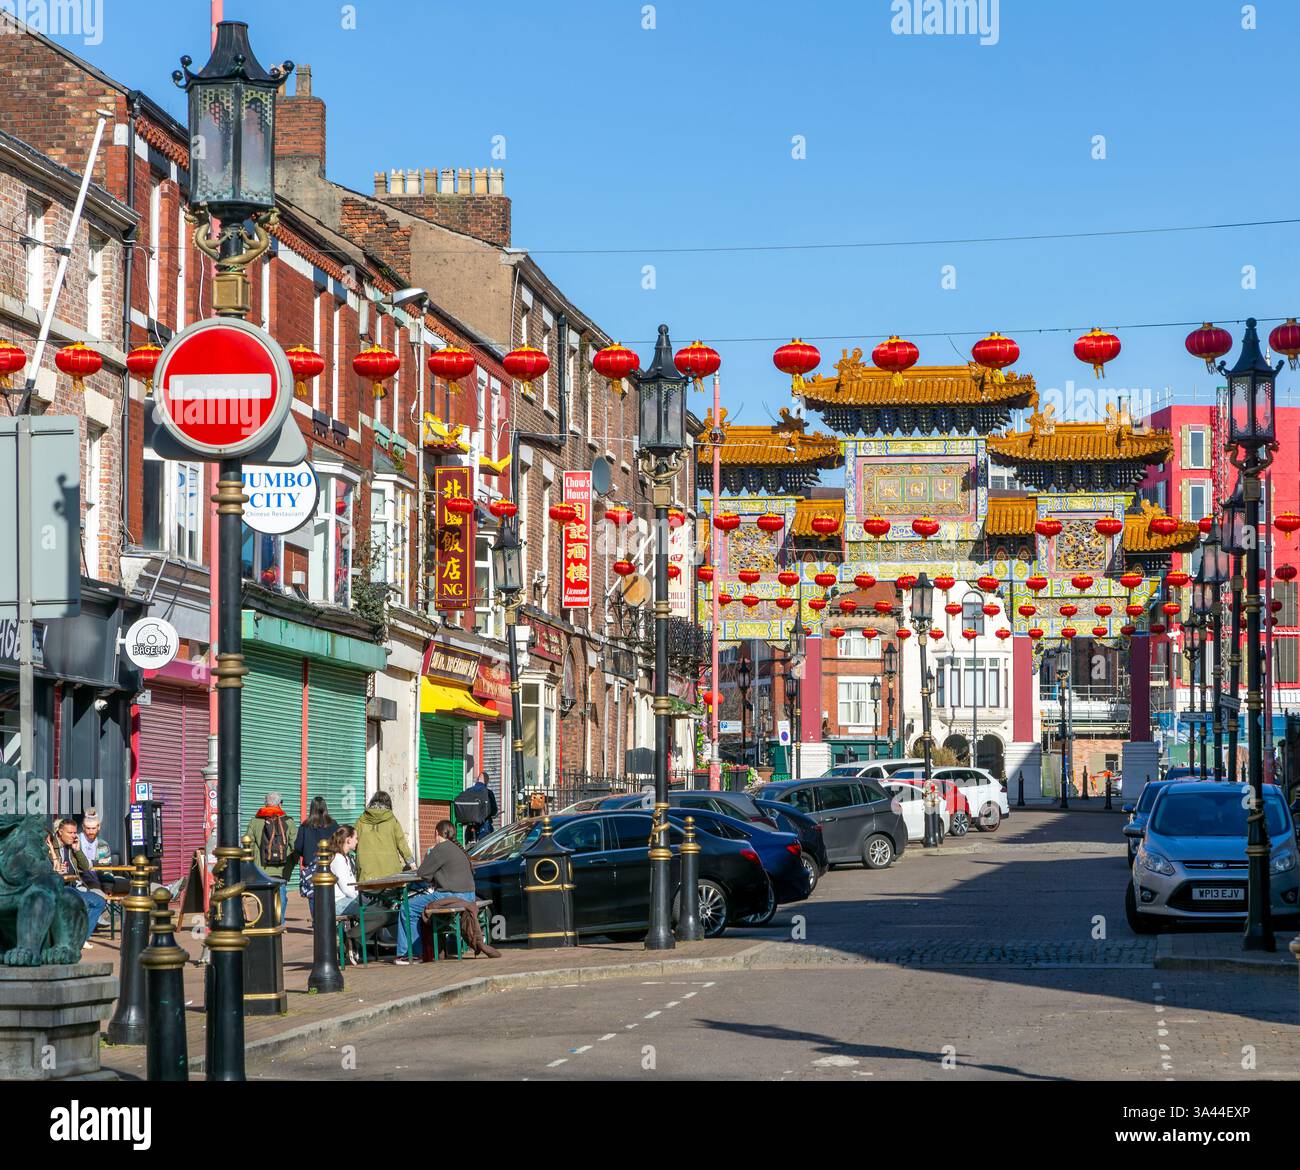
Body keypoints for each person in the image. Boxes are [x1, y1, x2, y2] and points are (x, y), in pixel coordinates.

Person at [396, 820, 497, 962]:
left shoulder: (441, 848)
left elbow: (422, 873)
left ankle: (409, 954)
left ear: (436, 833)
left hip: (451, 896)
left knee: (408, 908)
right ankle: (422, 951)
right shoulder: (458, 849)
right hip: (468, 896)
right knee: (419, 906)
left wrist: (429, 856)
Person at [48, 818, 108, 948]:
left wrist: (77, 850)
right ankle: (70, 938)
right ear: (60, 832)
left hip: (73, 886)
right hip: (59, 888)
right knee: (82, 903)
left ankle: (80, 939)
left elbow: (86, 867)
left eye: (75, 832)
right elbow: (45, 869)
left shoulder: (72, 847)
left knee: (99, 901)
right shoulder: (51, 847)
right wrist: (56, 871)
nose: (74, 836)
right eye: (70, 833)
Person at [246, 793, 296, 924]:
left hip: (261, 867)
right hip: (282, 867)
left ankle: (264, 922)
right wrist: (291, 863)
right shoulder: (288, 822)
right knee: (281, 894)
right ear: (280, 804)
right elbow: (295, 844)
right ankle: (280, 922)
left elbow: (248, 843)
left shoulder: (255, 821)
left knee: (262, 895)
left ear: (265, 804)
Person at [292, 796, 337, 921]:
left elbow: (298, 846)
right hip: (330, 864)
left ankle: (316, 921)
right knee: (330, 893)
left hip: (311, 866)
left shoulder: (305, 826)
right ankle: (328, 920)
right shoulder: (333, 825)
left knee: (313, 895)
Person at [355, 791, 414, 883]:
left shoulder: (360, 820)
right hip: (390, 874)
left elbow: (354, 842)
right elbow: (402, 844)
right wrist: (411, 863)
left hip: (366, 872)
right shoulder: (392, 820)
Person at [328, 824, 361, 965]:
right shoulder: (338, 859)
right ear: (348, 840)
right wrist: (361, 898)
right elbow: (347, 888)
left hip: (345, 900)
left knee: (375, 908)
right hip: (338, 903)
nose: (357, 841)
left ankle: (354, 940)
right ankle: (353, 938)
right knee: (373, 909)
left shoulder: (346, 858)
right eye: (356, 838)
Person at [453, 772, 498, 845]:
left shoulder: (468, 791)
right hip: (484, 826)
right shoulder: (488, 792)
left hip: (469, 828)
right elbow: (494, 811)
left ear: (477, 780)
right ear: (487, 782)